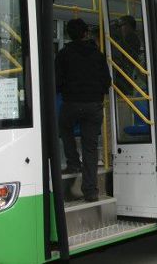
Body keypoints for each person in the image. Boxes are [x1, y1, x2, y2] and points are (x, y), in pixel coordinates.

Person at [56, 19, 111, 202]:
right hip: (94, 105)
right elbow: (107, 81)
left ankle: (72, 163)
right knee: (90, 147)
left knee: (64, 127)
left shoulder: (63, 54)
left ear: (68, 34)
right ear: (86, 33)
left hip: (72, 103)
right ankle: (90, 191)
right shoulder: (98, 55)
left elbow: (57, 82)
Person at [111, 15, 142, 95]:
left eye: (121, 25)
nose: (120, 28)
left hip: (126, 72)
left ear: (128, 26)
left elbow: (125, 52)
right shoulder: (128, 38)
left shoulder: (131, 37)